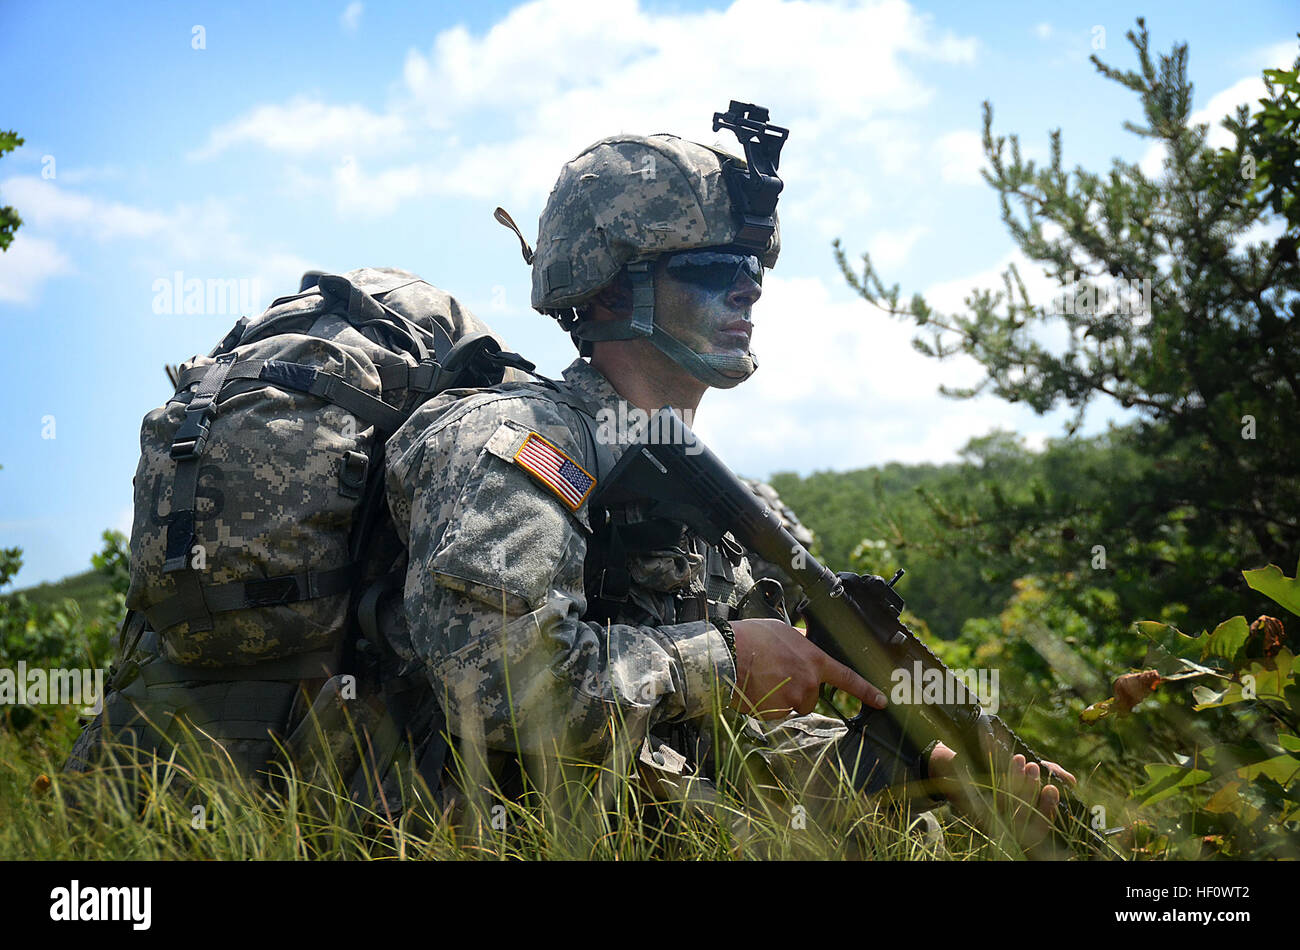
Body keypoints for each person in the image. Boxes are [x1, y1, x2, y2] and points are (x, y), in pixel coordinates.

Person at [382, 104, 1074, 848]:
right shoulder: (519, 440)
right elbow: (487, 677)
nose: (749, 292)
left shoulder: (719, 509)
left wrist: (925, 776)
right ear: (611, 291)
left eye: (751, 271)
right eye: (712, 270)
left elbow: (720, 756)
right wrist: (725, 659)